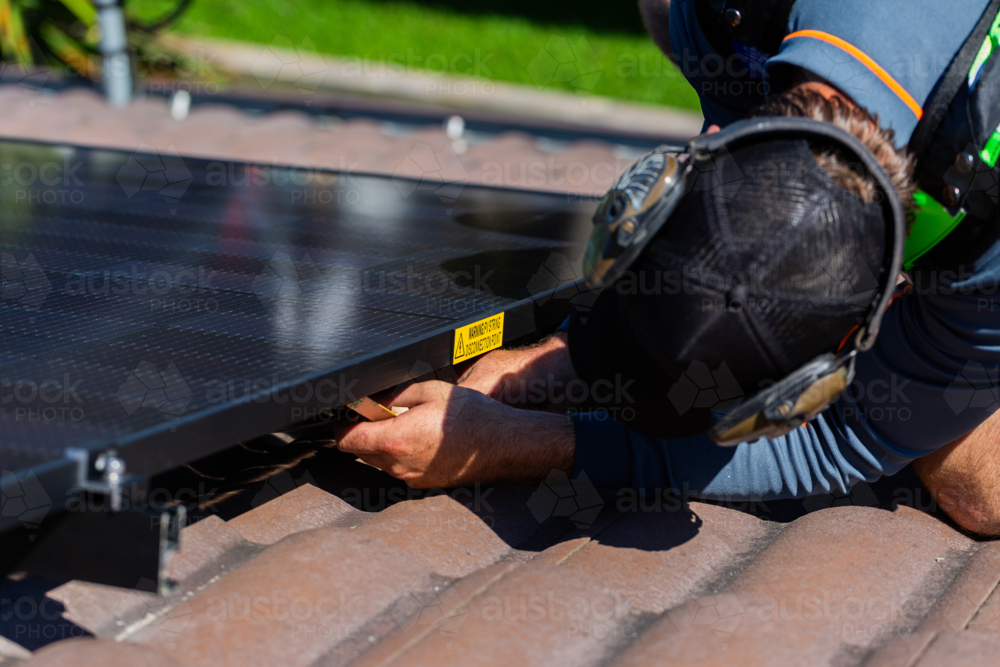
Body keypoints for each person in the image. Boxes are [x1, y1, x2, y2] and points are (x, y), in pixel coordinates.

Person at [335, 0, 1000, 535]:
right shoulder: (727, 16)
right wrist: (556, 355)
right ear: (708, 149)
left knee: (981, 490)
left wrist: (527, 442)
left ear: (853, 339)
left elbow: (842, 438)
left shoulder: (985, 268)